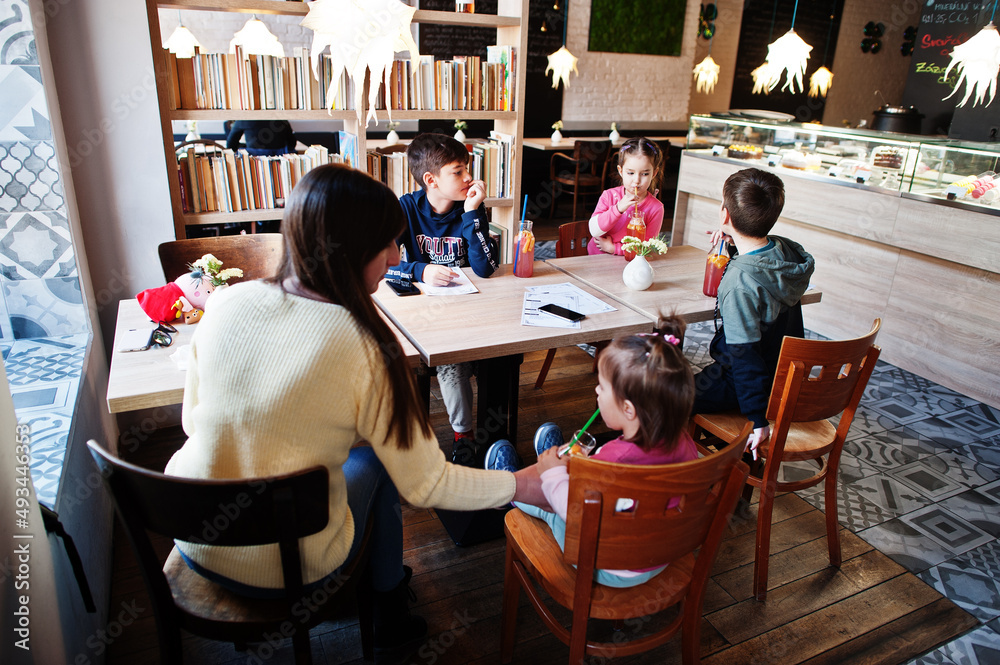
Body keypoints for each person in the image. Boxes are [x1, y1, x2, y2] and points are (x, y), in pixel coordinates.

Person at [164, 164, 536, 664]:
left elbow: (193, 423)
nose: (396, 257)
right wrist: (524, 483)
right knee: (381, 463)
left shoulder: (228, 303)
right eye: (388, 243)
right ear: (352, 249)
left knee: (345, 455)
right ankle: (389, 612)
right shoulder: (365, 346)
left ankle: (385, 600)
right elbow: (426, 486)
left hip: (195, 536)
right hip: (291, 564)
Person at [485, 314, 698, 587]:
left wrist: (554, 474)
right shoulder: (682, 439)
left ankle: (509, 491)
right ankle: (550, 468)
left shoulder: (614, 460)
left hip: (609, 565)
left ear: (628, 409)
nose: (596, 391)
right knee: (566, 476)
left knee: (549, 496)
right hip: (659, 554)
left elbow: (576, 511)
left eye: (602, 386)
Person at [385, 133, 499, 461]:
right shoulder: (407, 208)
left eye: (468, 170)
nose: (469, 178)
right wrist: (421, 270)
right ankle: (463, 436)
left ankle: (473, 434)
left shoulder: (471, 208)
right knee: (452, 360)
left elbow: (486, 267)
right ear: (431, 180)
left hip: (471, 307)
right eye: (458, 172)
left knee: (471, 359)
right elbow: (383, 262)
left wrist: (473, 211)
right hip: (427, 312)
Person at [692, 167, 815, 458]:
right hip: (781, 378)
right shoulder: (785, 252)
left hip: (742, 384)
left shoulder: (738, 285)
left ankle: (681, 469)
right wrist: (734, 239)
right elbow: (759, 258)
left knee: (655, 396)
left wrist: (757, 418)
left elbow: (744, 357)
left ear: (724, 215)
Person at [588, 137, 666, 255]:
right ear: (620, 171)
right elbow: (594, 231)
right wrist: (618, 208)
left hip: (632, 262)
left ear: (654, 173)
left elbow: (646, 247)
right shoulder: (609, 196)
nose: (636, 180)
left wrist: (614, 248)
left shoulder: (656, 208)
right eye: (630, 173)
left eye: (645, 174)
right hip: (597, 258)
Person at [226, 119, 296, 156]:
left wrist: (246, 147)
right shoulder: (281, 118)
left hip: (251, 162)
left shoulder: (244, 119)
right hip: (280, 161)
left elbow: (230, 145)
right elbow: (292, 143)